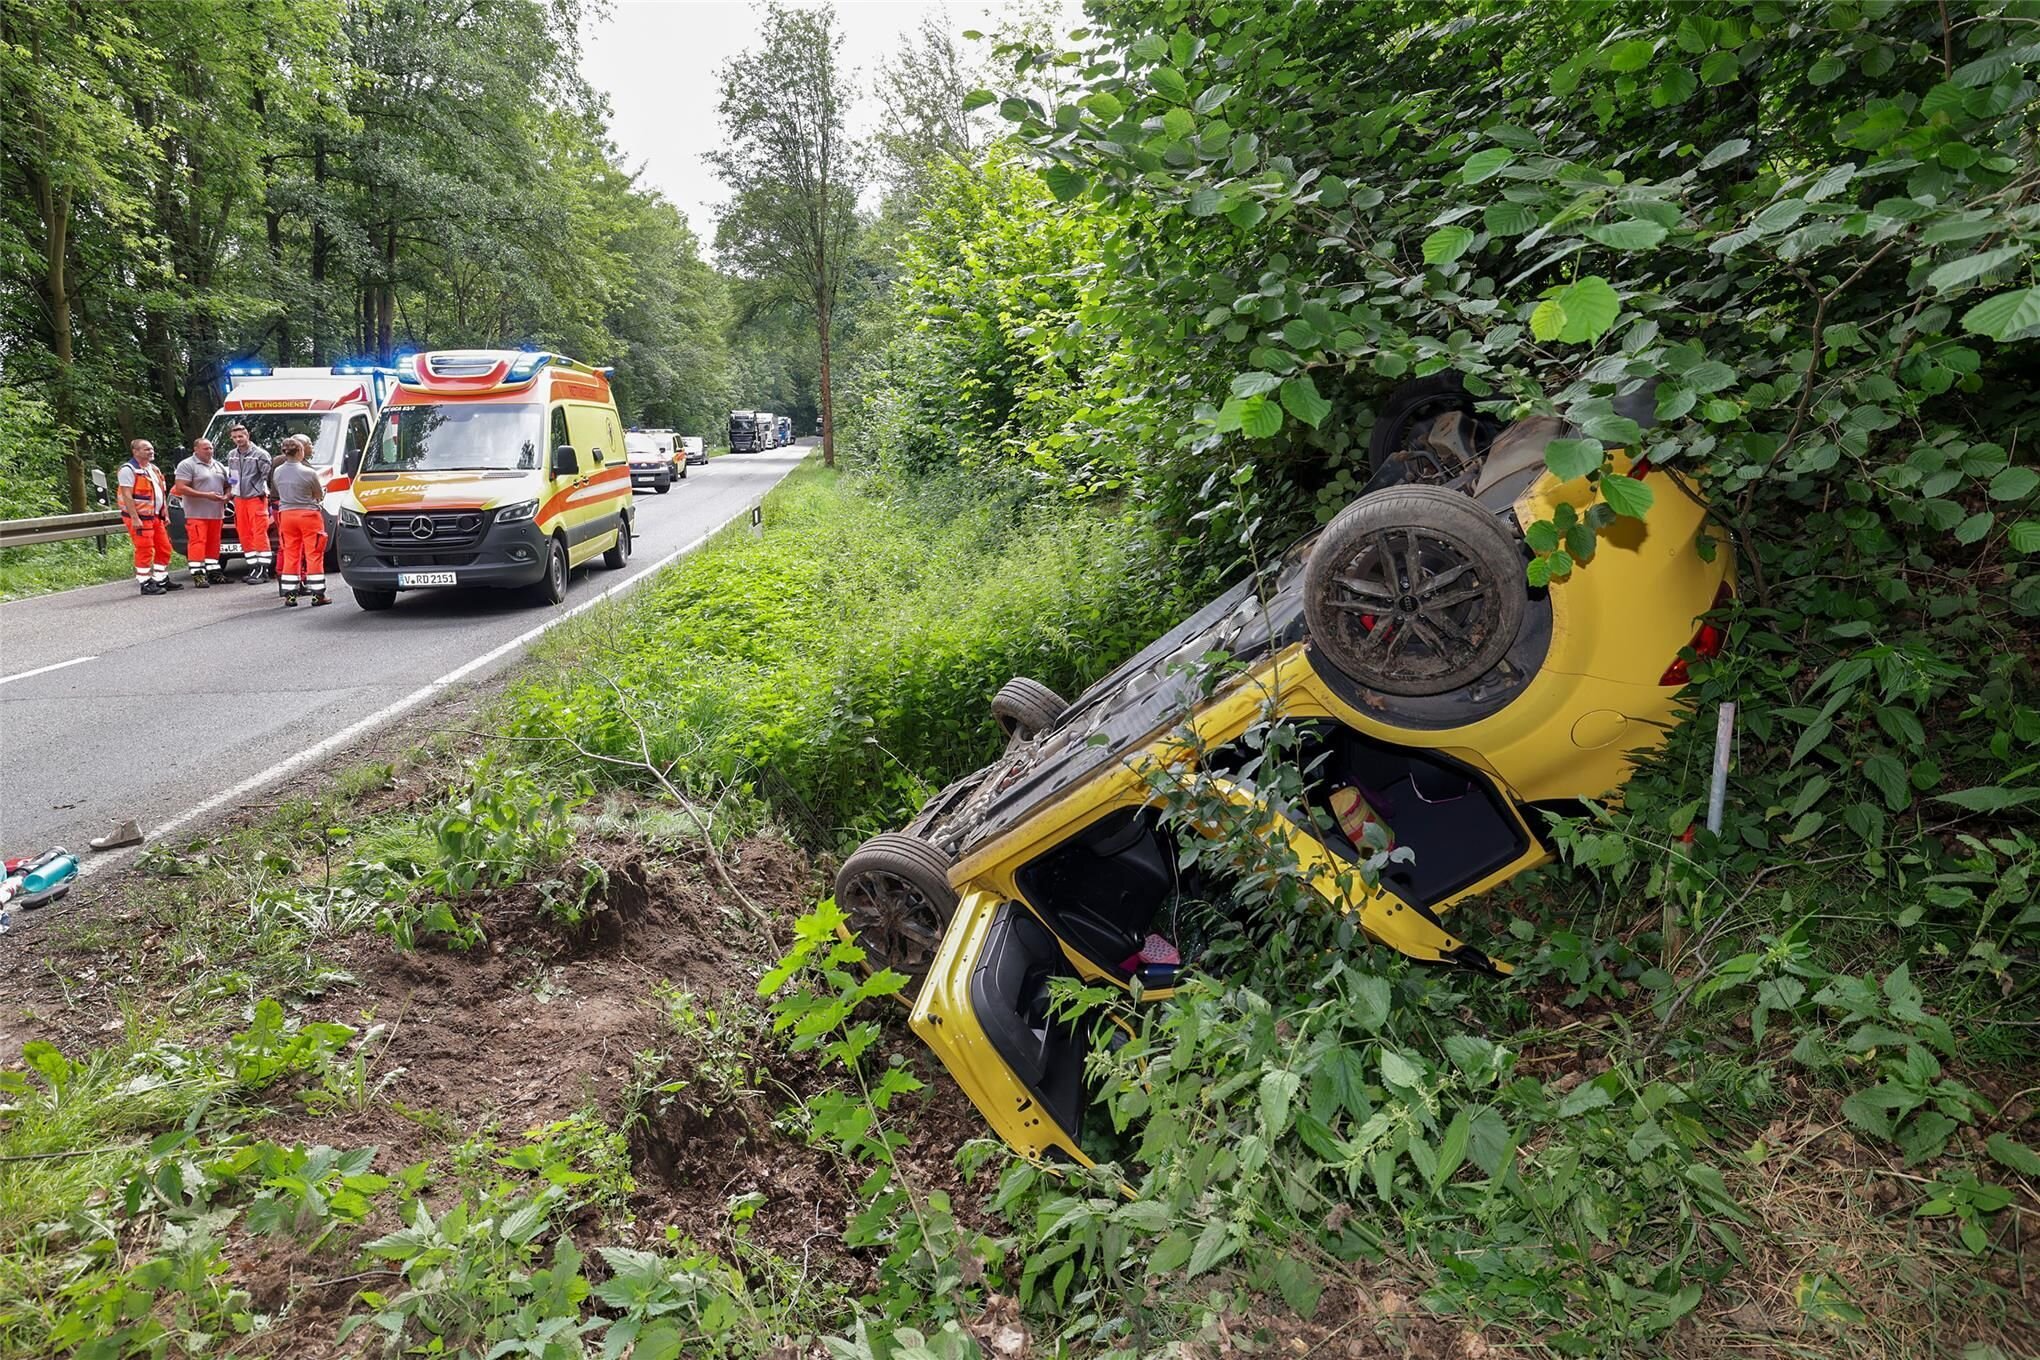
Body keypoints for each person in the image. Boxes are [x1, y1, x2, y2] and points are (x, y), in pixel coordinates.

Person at [115, 439, 181, 595]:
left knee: (164, 547)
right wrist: (134, 517)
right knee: (144, 549)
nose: (151, 452)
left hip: (155, 516)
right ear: (135, 451)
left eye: (151, 449)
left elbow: (159, 493)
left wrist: (164, 511)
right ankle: (144, 582)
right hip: (140, 517)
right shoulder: (128, 470)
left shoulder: (154, 469)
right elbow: (126, 495)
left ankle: (160, 578)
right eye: (146, 449)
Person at [274, 435, 330, 606]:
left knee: (291, 553)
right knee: (313, 554)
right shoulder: (308, 472)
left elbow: (278, 489)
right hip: (308, 515)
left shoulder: (278, 471)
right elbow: (318, 495)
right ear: (299, 451)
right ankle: (317, 595)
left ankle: (290, 595)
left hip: (286, 515)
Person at [171, 438, 230, 586]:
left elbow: (229, 484)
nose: (209, 451)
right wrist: (205, 495)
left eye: (211, 448)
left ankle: (214, 572)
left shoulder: (218, 465)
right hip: (196, 513)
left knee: (214, 543)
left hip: (216, 513)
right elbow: (181, 487)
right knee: (197, 542)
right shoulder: (187, 465)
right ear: (195, 450)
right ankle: (198, 575)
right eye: (206, 448)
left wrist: (227, 496)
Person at [224, 422, 274, 583]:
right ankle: (253, 567)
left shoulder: (260, 454)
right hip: (239, 499)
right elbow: (233, 476)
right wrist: (232, 492)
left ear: (248, 436)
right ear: (231, 439)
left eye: (241, 436)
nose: (238, 439)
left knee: (259, 533)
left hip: (256, 498)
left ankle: (263, 569)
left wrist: (266, 493)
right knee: (244, 533)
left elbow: (269, 477)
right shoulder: (232, 454)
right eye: (235, 437)